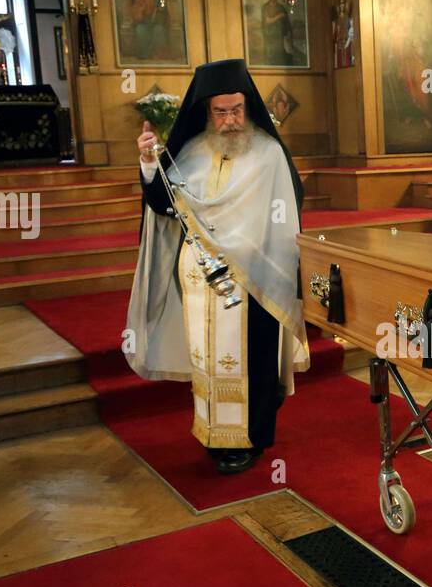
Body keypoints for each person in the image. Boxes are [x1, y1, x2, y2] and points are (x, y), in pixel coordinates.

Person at [130, 58, 309, 474]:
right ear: (206, 112)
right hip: (200, 280)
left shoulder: (268, 155)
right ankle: (214, 434)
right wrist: (148, 162)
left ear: (247, 108)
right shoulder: (189, 153)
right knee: (208, 360)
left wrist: (254, 249)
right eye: (220, 112)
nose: (229, 121)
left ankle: (252, 440)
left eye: (236, 110)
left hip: (254, 279)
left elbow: (288, 211)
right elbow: (163, 203)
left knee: (254, 361)